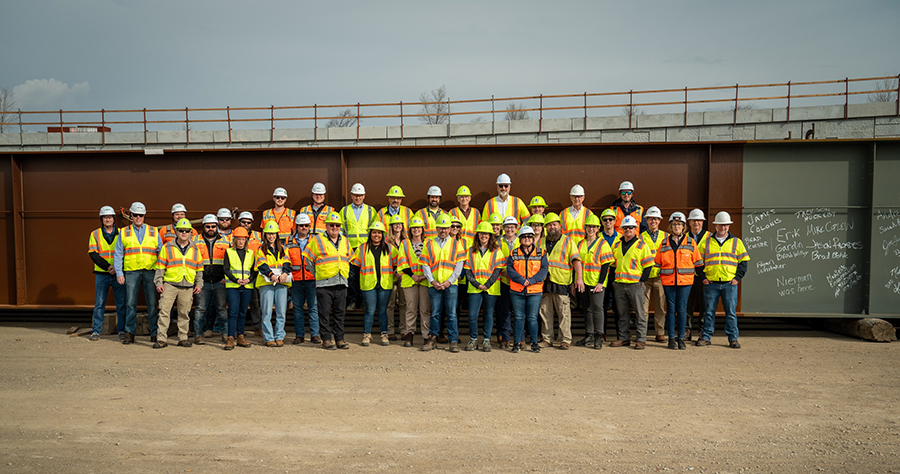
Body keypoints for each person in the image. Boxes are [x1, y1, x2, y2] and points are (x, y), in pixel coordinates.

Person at [696, 211, 750, 349]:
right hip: (711, 283)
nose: (723, 227)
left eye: (725, 225)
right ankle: (706, 337)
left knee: (731, 313)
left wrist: (737, 278)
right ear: (715, 226)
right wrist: (703, 278)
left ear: (729, 226)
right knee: (708, 312)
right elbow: (698, 263)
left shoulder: (737, 242)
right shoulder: (706, 242)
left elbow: (743, 262)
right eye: (720, 225)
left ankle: (733, 338)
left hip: (729, 284)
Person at [114, 201, 163, 345]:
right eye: (135, 215)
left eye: (141, 215)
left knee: (153, 304)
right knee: (130, 303)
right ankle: (129, 333)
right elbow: (118, 254)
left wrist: (161, 274)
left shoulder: (153, 231)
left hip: (150, 271)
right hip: (131, 272)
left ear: (144, 215)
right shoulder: (124, 232)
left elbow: (161, 253)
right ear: (131, 215)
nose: (138, 218)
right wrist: (119, 273)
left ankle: (154, 333)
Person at [303, 212, 353, 350]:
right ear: (327, 226)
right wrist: (318, 274)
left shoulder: (345, 241)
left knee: (339, 313)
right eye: (332, 225)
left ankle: (340, 339)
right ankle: (326, 339)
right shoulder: (317, 240)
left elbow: (349, 258)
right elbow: (308, 260)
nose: (335, 227)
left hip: (341, 281)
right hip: (324, 283)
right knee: (324, 313)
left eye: (337, 225)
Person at [654, 212, 703, 350]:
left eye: (679, 224)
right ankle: (671, 339)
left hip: (685, 282)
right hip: (668, 282)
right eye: (674, 224)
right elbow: (657, 263)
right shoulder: (664, 243)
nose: (677, 227)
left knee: (682, 310)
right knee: (670, 310)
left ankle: (680, 338)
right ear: (670, 226)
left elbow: (698, 262)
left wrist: (704, 278)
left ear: (684, 227)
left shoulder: (690, 242)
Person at [152, 218, 203, 349]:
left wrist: (199, 284)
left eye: (186, 231)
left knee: (184, 314)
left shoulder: (195, 249)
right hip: (170, 284)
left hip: (187, 286)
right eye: (181, 230)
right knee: (164, 312)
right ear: (176, 231)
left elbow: (199, 269)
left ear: (191, 233)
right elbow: (160, 266)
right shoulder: (167, 247)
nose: (184, 233)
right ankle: (161, 339)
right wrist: (159, 282)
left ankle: (183, 338)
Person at [420, 214, 466, 352]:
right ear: (437, 228)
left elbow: (459, 265)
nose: (443, 231)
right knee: (435, 313)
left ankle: (453, 341)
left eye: (446, 228)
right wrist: (432, 280)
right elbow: (425, 264)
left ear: (449, 229)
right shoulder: (429, 243)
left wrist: (448, 282)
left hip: (450, 285)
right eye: (441, 228)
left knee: (452, 314)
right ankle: (432, 339)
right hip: (434, 284)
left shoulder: (456, 244)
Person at [538, 213, 583, 349]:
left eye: (554, 224)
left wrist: (578, 279)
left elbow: (576, 261)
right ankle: (547, 338)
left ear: (559, 226)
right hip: (545, 283)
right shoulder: (540, 241)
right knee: (545, 312)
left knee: (564, 313)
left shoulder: (568, 241)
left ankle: (565, 339)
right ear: (546, 227)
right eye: (550, 225)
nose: (552, 227)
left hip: (562, 282)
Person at [609, 216, 654, 350]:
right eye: (625, 227)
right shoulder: (616, 244)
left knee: (640, 313)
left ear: (635, 229)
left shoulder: (641, 245)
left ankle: (641, 339)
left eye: (631, 227)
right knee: (622, 313)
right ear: (622, 229)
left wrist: (642, 281)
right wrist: (613, 281)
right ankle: (623, 338)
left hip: (635, 284)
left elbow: (648, 265)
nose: (628, 230)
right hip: (619, 284)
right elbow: (612, 265)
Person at [352, 221, 397, 347]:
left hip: (385, 284)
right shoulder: (362, 248)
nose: (376, 235)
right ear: (370, 234)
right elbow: (355, 267)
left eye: (379, 233)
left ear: (383, 235)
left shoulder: (389, 248)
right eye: (374, 232)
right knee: (370, 310)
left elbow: (398, 263)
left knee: (383, 311)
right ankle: (367, 335)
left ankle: (384, 335)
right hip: (368, 284)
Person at [507, 225, 549, 353]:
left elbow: (544, 270)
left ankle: (534, 343)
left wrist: (531, 281)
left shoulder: (541, 253)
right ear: (520, 239)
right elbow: (510, 269)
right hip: (517, 290)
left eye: (529, 236)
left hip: (534, 291)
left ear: (533, 238)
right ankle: (516, 343)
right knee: (519, 318)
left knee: (532, 318)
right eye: (524, 237)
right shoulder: (513, 253)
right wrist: (521, 280)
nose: (527, 239)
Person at [575, 215, 613, 350]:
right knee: (587, 308)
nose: (591, 229)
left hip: (597, 282)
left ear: (598, 229)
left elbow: (606, 265)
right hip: (583, 282)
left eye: (594, 227)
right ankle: (589, 334)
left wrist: (601, 283)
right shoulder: (579, 244)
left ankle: (598, 336)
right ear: (585, 228)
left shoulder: (603, 243)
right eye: (589, 226)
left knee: (597, 308)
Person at [464, 221, 504, 352]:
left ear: (490, 235)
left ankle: (486, 340)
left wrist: (486, 284)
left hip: (490, 288)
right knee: (472, 315)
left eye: (486, 233)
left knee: (488, 314)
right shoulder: (470, 251)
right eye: (481, 233)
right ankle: (473, 339)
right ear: (477, 235)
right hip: (474, 287)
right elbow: (467, 270)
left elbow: (498, 270)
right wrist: (477, 284)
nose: (484, 236)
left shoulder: (497, 251)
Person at [88, 206, 126, 341]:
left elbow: (126, 252)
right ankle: (96, 331)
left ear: (114, 219)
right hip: (102, 274)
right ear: (101, 219)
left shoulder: (122, 233)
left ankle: (122, 330)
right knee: (99, 303)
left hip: (118, 274)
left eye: (109, 217)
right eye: (105, 217)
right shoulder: (95, 234)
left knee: (121, 304)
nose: (108, 219)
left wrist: (117, 268)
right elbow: (93, 254)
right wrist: (109, 266)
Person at [192, 214, 230, 344]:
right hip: (203, 281)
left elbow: (230, 261)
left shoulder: (226, 241)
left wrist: (226, 277)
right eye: (207, 226)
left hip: (220, 281)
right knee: (200, 309)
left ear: (217, 227)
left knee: (222, 309)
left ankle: (225, 334)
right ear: (203, 227)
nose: (210, 229)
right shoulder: (195, 240)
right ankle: (198, 335)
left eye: (213, 226)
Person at [255, 221, 292, 347]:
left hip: (281, 282)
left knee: (281, 311)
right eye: (269, 234)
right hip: (266, 282)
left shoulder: (283, 248)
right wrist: (271, 275)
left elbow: (287, 262)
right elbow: (261, 264)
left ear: (277, 234)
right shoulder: (261, 249)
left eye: (273, 234)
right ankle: (268, 337)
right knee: (266, 311)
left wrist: (285, 273)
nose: (271, 236)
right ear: (265, 235)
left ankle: (279, 336)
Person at [340, 183, 376, 312]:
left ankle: (364, 300)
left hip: (366, 248)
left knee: (365, 274)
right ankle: (353, 299)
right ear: (351, 195)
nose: (358, 198)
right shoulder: (344, 211)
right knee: (351, 275)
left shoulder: (371, 211)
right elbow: (341, 230)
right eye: (355, 195)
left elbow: (374, 230)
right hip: (350, 248)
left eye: (360, 195)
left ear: (364, 196)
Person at [286, 213, 321, 345]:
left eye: (306, 225)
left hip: (312, 278)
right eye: (301, 226)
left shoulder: (315, 240)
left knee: (313, 307)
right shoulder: (289, 241)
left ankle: (315, 335)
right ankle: (299, 335)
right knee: (298, 308)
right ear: (297, 226)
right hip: (295, 279)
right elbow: (286, 258)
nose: (304, 228)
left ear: (309, 226)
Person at [397, 217, 430, 347]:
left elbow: (431, 260)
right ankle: (409, 334)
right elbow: (402, 260)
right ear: (410, 230)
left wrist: (423, 276)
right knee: (410, 308)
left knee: (425, 309)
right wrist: (413, 275)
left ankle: (426, 335)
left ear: (422, 229)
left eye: (419, 227)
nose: (417, 230)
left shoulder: (429, 243)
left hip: (424, 280)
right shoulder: (405, 243)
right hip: (410, 280)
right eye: (414, 228)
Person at [223, 226, 255, 349]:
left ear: (246, 240)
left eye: (243, 239)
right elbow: (225, 269)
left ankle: (240, 336)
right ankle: (231, 337)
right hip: (233, 286)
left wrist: (249, 279)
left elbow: (254, 270)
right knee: (233, 312)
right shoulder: (229, 252)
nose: (241, 242)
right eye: (238, 239)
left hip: (247, 286)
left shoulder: (251, 253)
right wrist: (236, 280)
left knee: (242, 312)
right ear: (234, 240)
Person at [641, 206, 668, 343]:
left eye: (656, 219)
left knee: (660, 307)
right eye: (651, 219)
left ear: (659, 221)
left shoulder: (666, 237)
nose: (653, 221)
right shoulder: (640, 237)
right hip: (644, 278)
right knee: (643, 308)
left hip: (660, 277)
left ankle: (660, 333)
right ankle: (642, 334)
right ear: (647, 220)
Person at [495, 216, 519, 348]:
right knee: (504, 311)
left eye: (512, 227)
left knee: (518, 312)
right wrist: (501, 272)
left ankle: (519, 337)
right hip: (503, 280)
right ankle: (505, 337)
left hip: (518, 282)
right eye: (507, 227)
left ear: (516, 228)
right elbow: (493, 260)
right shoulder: (498, 242)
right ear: (503, 228)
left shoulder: (521, 241)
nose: (510, 229)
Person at [236, 211, 263, 331]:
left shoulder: (258, 236)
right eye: (243, 222)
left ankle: (257, 328)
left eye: (248, 222)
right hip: (238, 273)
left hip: (255, 272)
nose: (245, 224)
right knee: (237, 304)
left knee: (255, 302)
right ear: (239, 222)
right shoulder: (234, 235)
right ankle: (237, 329)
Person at [684, 208, 708, 341]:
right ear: (689, 222)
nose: (696, 223)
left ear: (702, 222)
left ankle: (702, 330)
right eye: (694, 220)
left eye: (699, 220)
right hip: (687, 276)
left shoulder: (709, 237)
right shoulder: (684, 237)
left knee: (704, 304)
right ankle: (687, 330)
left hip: (704, 277)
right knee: (687, 304)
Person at [384, 214, 407, 341]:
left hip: (404, 277)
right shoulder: (386, 242)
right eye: (395, 224)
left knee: (404, 304)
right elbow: (385, 260)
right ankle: (390, 330)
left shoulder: (406, 241)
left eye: (399, 224)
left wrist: (402, 273)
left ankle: (403, 330)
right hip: (390, 276)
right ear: (391, 227)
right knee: (390, 304)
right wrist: (394, 272)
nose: (397, 226)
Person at [599, 208, 621, 339]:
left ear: (614, 221)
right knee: (602, 304)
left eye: (610, 219)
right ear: (602, 222)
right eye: (605, 219)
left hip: (616, 272)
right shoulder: (598, 237)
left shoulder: (621, 237)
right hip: (602, 272)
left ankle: (620, 334)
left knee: (619, 305)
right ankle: (602, 333)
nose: (608, 222)